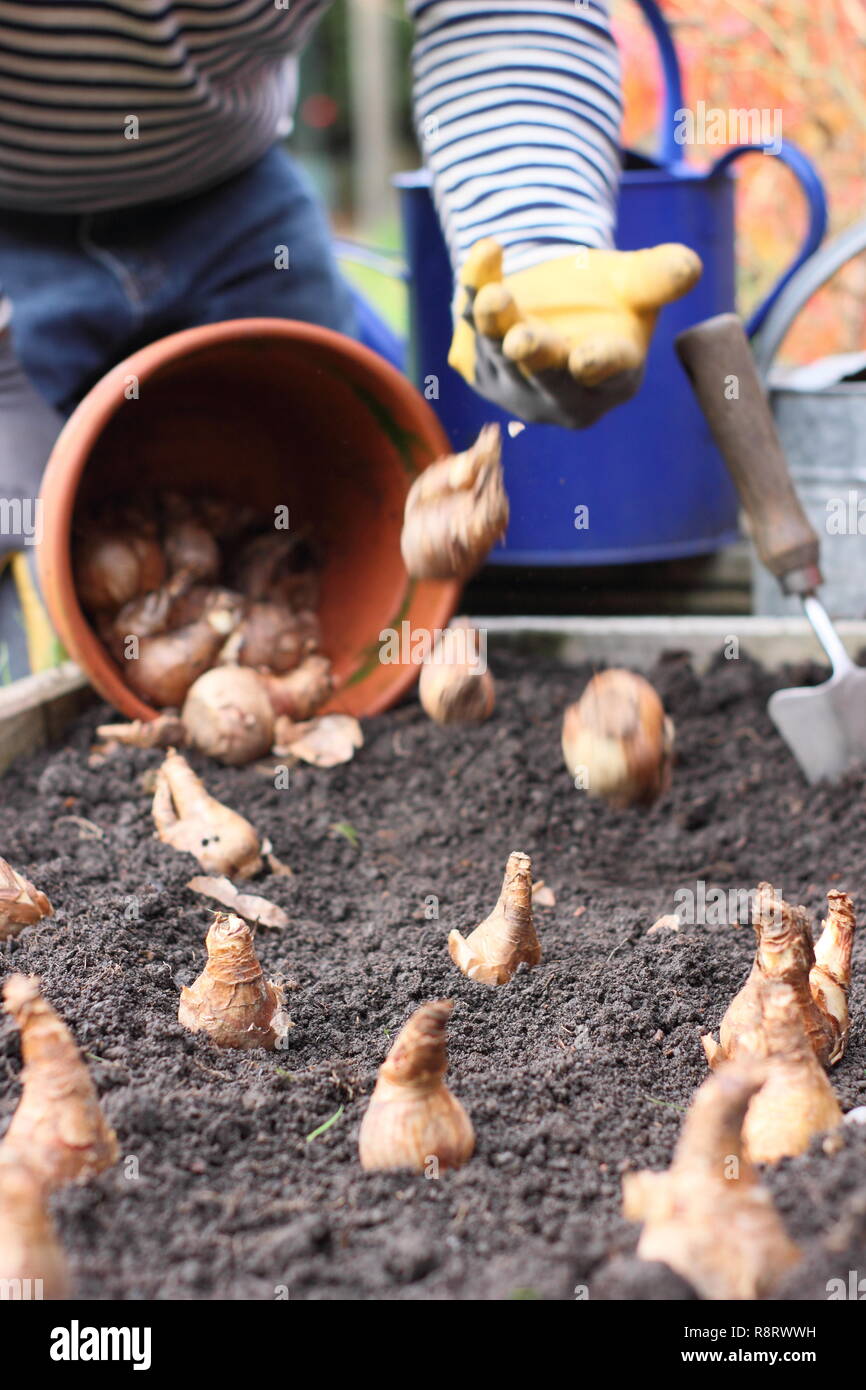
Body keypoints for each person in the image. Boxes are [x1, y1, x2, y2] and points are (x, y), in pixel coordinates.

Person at [0, 0, 700, 675]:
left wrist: (535, 248)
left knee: (342, 522)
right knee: (32, 635)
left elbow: (503, 9)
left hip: (234, 192)